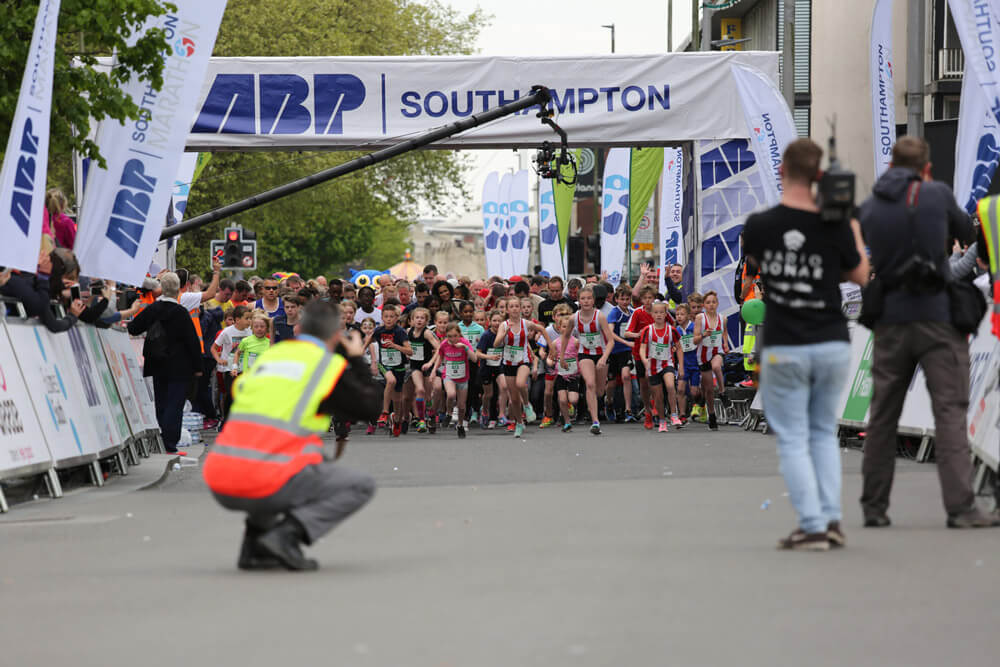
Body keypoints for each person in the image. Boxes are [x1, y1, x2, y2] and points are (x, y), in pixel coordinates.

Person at [858, 135, 998, 529]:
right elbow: (968, 236)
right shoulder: (936, 195)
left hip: (890, 322)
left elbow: (858, 247)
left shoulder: (871, 206)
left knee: (883, 414)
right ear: (926, 168)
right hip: (938, 318)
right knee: (949, 412)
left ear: (890, 167)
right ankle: (961, 507)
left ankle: (874, 505)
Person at [743, 137, 870, 551]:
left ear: (781, 172)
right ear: (820, 176)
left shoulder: (760, 225)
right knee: (821, 433)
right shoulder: (835, 223)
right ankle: (831, 519)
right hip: (831, 340)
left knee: (794, 438)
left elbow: (757, 267)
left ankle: (813, 524)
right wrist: (849, 223)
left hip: (785, 344)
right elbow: (861, 276)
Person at [202, 300, 380, 571]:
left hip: (220, 476)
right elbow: (370, 408)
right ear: (336, 336)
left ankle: (254, 546)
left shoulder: (273, 356)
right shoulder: (324, 366)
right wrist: (356, 359)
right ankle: (285, 536)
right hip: (266, 479)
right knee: (360, 485)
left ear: (299, 329)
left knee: (277, 461)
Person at [126, 273, 202, 454]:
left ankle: (161, 438)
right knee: (175, 404)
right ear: (178, 290)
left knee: (161, 401)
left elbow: (134, 327)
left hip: (157, 362)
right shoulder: (181, 313)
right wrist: (198, 367)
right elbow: (192, 341)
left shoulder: (153, 309)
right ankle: (170, 442)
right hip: (179, 365)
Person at [559, 285, 615, 435]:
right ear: (578, 301)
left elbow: (610, 341)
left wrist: (604, 357)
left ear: (593, 300)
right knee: (589, 384)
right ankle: (595, 421)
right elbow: (565, 336)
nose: (586, 301)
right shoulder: (574, 318)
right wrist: (562, 356)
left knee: (599, 391)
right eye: (583, 298)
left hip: (601, 353)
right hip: (584, 354)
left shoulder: (600, 317)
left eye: (589, 298)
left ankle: (606, 403)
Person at [496, 295, 552, 438]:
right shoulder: (503, 325)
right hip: (509, 363)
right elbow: (496, 344)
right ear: (507, 310)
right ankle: (519, 423)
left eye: (517, 306)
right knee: (514, 399)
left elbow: (543, 329)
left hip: (524, 360)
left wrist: (551, 347)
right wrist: (504, 334)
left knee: (521, 383)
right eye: (512, 306)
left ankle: (527, 405)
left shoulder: (526, 324)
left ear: (520, 309)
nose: (515, 309)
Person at [0, 238, 85, 332]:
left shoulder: (40, 285)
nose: (69, 284)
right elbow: (40, 308)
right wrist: (72, 316)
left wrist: (62, 296)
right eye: (69, 279)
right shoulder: (25, 279)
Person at [639, 301, 685, 431]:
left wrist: (681, 366)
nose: (659, 315)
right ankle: (662, 420)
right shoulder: (648, 330)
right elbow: (642, 348)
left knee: (670, 385)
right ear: (652, 315)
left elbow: (679, 348)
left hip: (667, 363)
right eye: (656, 312)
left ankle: (674, 414)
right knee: (658, 396)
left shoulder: (672, 330)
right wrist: (644, 360)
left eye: (661, 312)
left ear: (665, 314)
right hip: (653, 366)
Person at [368, 304, 411, 435]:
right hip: (384, 364)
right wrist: (361, 350)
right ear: (382, 317)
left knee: (397, 398)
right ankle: (385, 412)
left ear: (397, 318)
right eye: (386, 316)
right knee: (390, 381)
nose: (388, 319)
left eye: (392, 317)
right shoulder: (379, 331)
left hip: (399, 366)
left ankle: (397, 420)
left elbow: (410, 352)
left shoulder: (400, 332)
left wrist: (395, 346)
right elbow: (369, 339)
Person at [431, 323, 477, 438]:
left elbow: (475, 359)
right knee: (451, 394)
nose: (453, 339)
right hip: (449, 375)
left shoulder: (464, 343)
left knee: (461, 406)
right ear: (446, 336)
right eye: (450, 336)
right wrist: (433, 370)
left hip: (462, 377)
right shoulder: (444, 344)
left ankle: (460, 425)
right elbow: (440, 357)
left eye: (455, 336)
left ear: (459, 334)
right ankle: (449, 413)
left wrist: (465, 348)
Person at [692, 291, 728, 431]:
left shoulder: (722, 318)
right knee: (708, 390)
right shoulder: (700, 318)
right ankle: (711, 414)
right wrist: (703, 335)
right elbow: (695, 340)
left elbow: (724, 332)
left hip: (716, 351)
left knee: (716, 366)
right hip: (703, 355)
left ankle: (723, 392)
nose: (711, 305)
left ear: (717, 304)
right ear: (703, 305)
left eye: (713, 302)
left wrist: (725, 344)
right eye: (708, 302)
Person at [212, 305, 253, 423]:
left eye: (250, 318)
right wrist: (219, 360)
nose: (249, 321)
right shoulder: (227, 332)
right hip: (229, 368)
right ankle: (225, 420)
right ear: (237, 319)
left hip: (244, 368)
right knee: (230, 394)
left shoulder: (250, 331)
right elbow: (214, 348)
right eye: (247, 318)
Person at [405, 307, 440, 433]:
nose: (419, 320)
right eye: (417, 318)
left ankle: (430, 414)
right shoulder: (408, 331)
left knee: (428, 396)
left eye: (422, 318)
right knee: (419, 390)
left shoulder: (427, 333)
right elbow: (406, 347)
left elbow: (439, 349)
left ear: (426, 321)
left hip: (426, 366)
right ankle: (421, 421)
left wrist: (431, 362)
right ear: (412, 320)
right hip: (415, 366)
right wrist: (407, 353)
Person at [605, 285, 636, 423]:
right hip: (613, 351)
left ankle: (628, 410)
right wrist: (626, 342)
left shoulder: (632, 312)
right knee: (611, 383)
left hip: (626, 352)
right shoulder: (614, 313)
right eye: (622, 299)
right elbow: (610, 333)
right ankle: (609, 403)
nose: (625, 301)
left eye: (627, 299)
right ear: (616, 299)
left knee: (626, 376)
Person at [546, 315, 581, 432]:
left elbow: (580, 355)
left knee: (574, 399)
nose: (566, 329)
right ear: (559, 328)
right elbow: (550, 357)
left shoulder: (576, 342)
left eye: (568, 327)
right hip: (560, 374)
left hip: (573, 374)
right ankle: (566, 421)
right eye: (563, 327)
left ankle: (571, 407)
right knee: (562, 399)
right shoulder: (555, 342)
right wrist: (550, 362)